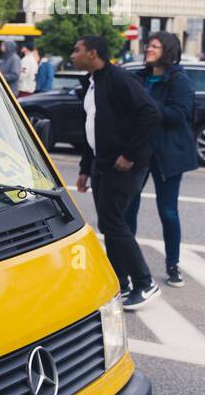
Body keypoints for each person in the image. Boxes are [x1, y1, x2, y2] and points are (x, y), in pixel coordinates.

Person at [71, 34, 161, 309]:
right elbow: (93, 127)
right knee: (109, 223)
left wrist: (130, 154)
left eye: (77, 50)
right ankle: (120, 284)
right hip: (102, 162)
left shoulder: (119, 79)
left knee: (113, 222)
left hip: (125, 163)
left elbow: (150, 114)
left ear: (93, 53)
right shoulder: (91, 83)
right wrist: (85, 168)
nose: (72, 55)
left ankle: (145, 283)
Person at [124, 32, 196, 288]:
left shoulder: (180, 82)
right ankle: (127, 265)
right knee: (128, 207)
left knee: (167, 211)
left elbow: (178, 116)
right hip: (139, 151)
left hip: (168, 154)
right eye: (149, 45)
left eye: (155, 46)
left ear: (168, 51)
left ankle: (173, 265)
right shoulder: (140, 77)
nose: (149, 48)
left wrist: (147, 104)